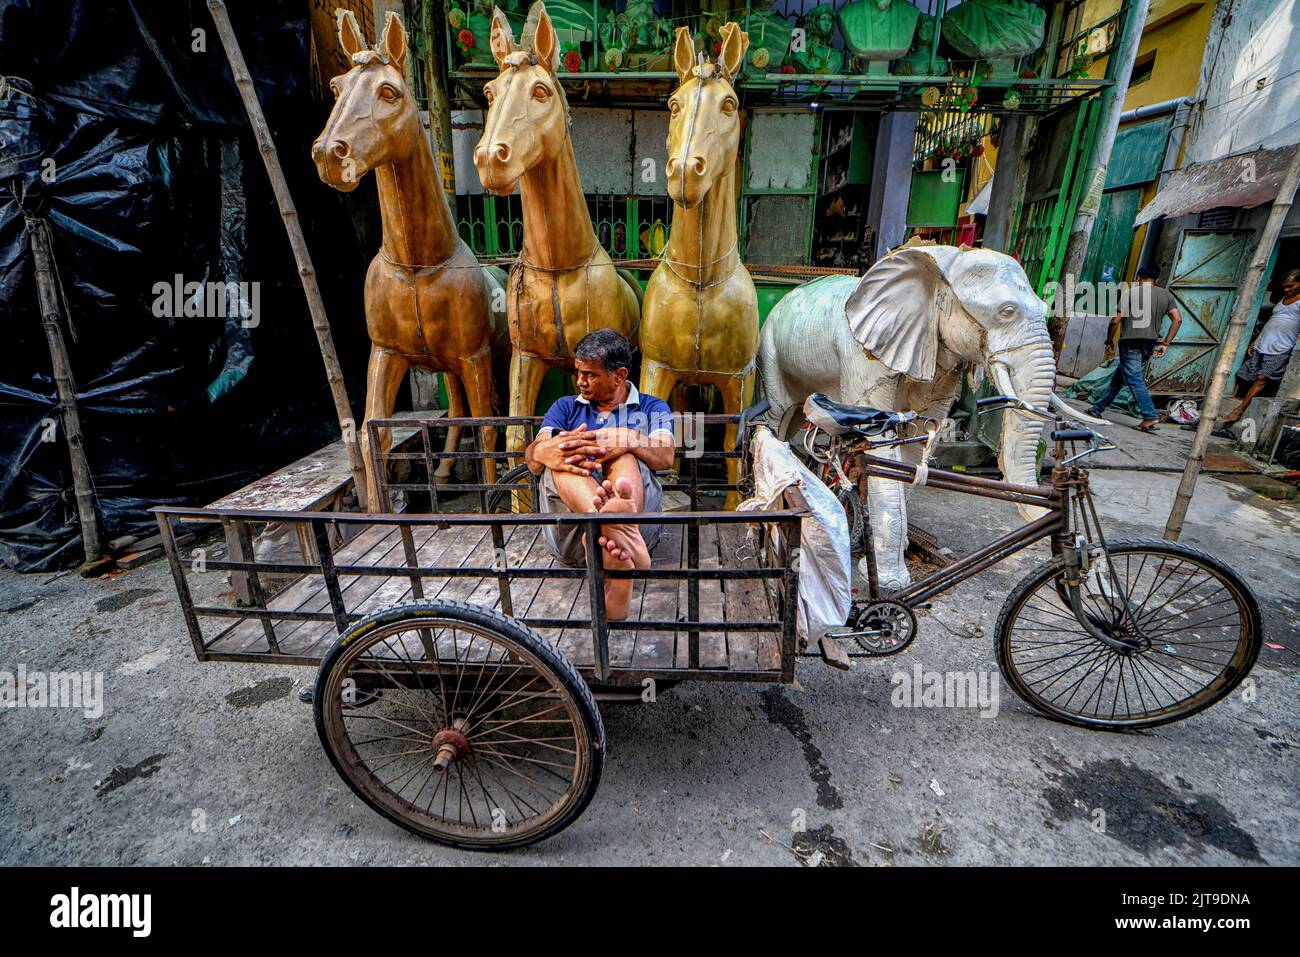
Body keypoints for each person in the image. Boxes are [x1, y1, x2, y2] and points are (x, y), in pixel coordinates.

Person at [524, 329, 676, 620]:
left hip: (636, 530)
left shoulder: (651, 407)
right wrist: (542, 452)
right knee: (563, 456)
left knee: (627, 454)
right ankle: (611, 525)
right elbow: (532, 462)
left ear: (619, 375)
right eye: (577, 373)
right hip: (573, 537)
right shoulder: (565, 407)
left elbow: (666, 456)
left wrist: (628, 438)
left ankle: (614, 533)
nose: (580, 381)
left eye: (590, 375)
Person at [1087, 265, 1183, 433]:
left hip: (1131, 342)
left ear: (1138, 278)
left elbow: (1115, 321)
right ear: (1157, 280)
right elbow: (1178, 319)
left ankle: (1149, 416)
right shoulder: (1166, 295)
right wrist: (1166, 343)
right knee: (1120, 378)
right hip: (1150, 343)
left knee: (1135, 380)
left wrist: (1109, 341)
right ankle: (1097, 409)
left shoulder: (1130, 294)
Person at [1221, 268, 1300, 423]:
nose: (1287, 289)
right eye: (1285, 286)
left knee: (1262, 378)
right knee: (1244, 374)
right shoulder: (1283, 298)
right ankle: (1233, 402)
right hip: (1264, 343)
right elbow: (1272, 320)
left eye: (1290, 286)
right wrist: (1255, 341)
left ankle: (1239, 410)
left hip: (1282, 347)